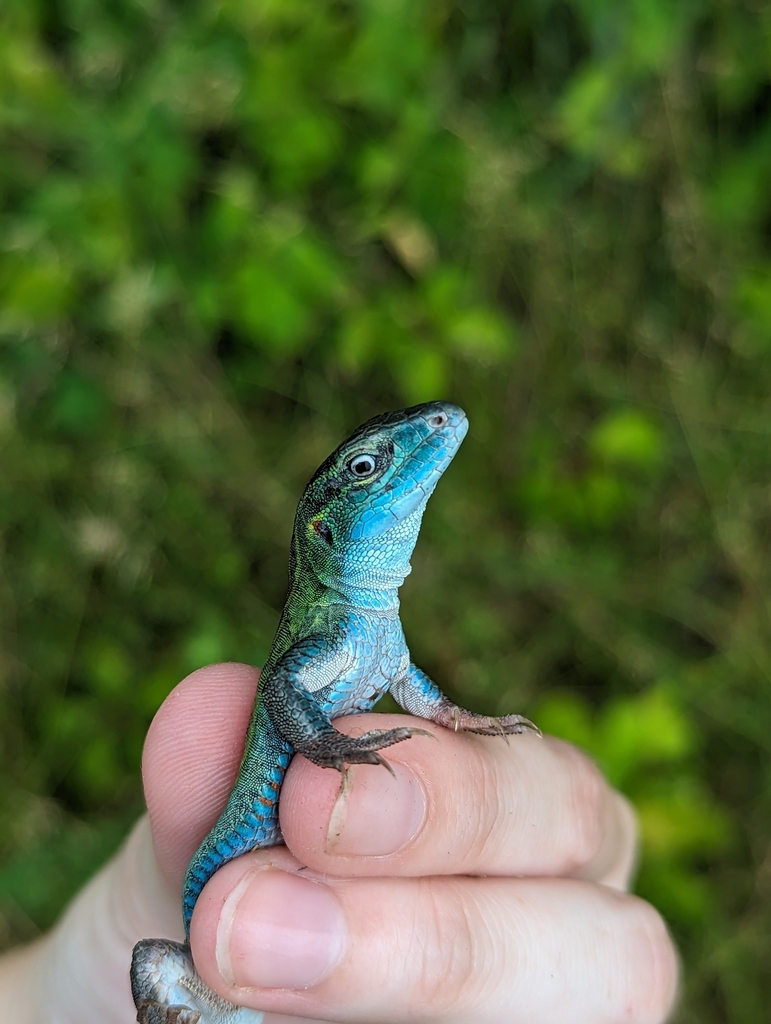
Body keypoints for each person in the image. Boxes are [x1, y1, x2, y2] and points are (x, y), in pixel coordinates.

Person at [0, 663, 678, 1023]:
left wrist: (451, 718)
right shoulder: (327, 628)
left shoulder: (375, 626)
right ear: (326, 529)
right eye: (364, 470)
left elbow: (411, 685)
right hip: (221, 918)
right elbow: (284, 692)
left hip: (250, 930)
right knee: (156, 963)